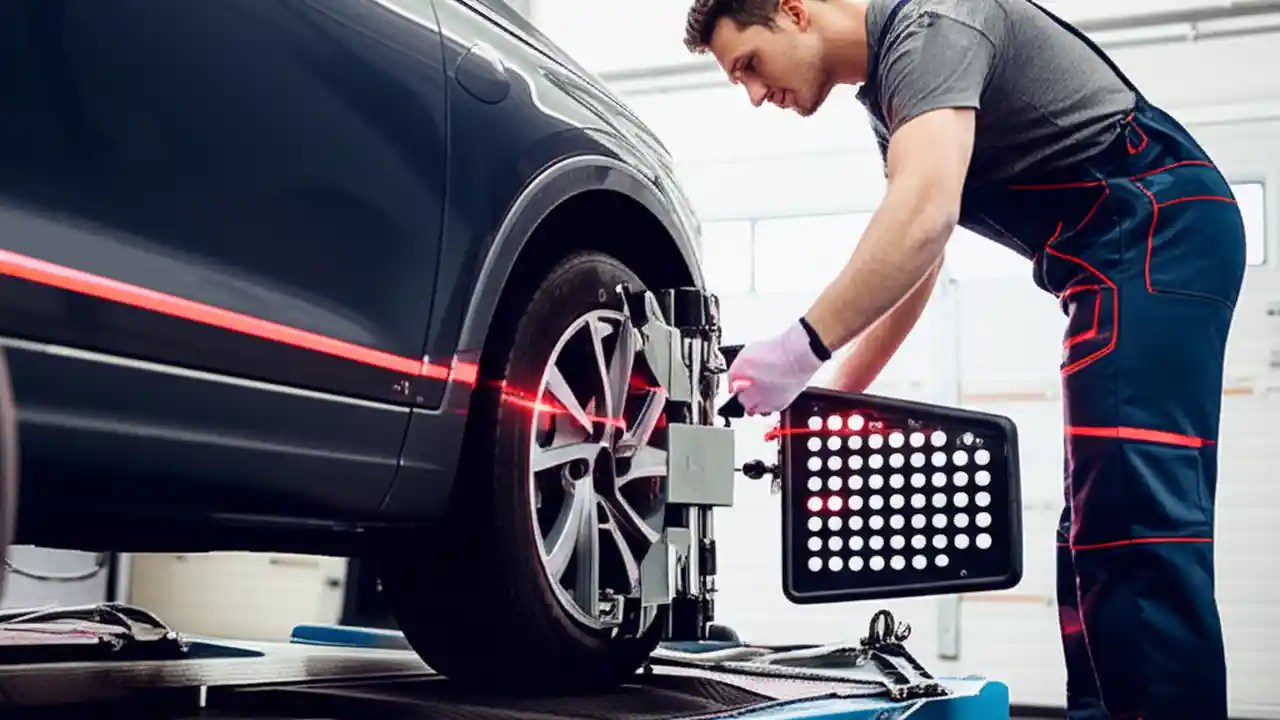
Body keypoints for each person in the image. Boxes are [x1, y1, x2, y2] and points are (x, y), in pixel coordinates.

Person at [684, 0, 1245, 718]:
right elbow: (919, 265)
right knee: (1095, 520)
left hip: (1158, 228)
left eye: (750, 67)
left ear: (793, 11)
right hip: (1114, 258)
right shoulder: (893, 94)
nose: (757, 95)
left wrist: (796, 347)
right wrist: (823, 399)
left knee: (1136, 518)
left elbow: (922, 218)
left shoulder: (934, 23)